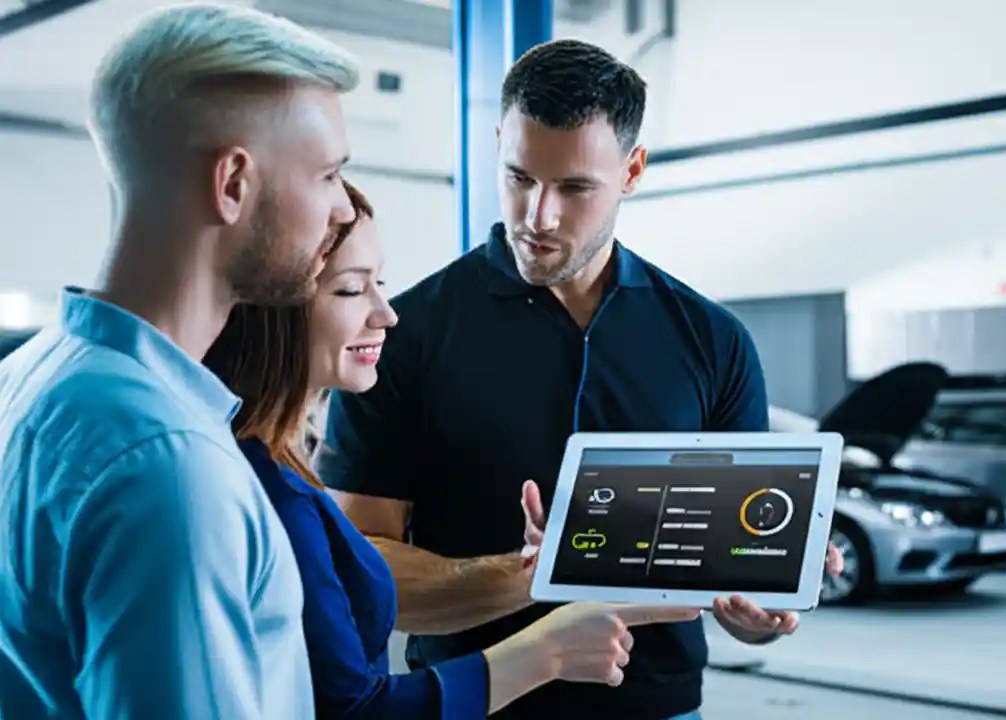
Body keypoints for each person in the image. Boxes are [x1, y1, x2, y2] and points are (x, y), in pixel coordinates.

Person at [316, 39, 841, 720]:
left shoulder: (714, 343)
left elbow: (729, 582)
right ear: (499, 142)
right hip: (476, 703)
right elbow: (362, 575)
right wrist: (530, 577)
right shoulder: (403, 334)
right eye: (520, 177)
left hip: (661, 709)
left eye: (573, 188)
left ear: (633, 171)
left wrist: (754, 610)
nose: (538, 217)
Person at [203, 179, 699, 718]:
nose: (386, 313)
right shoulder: (271, 494)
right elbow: (351, 709)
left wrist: (540, 573)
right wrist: (545, 650)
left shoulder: (279, 473)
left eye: (380, 284)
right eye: (351, 289)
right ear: (271, 303)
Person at [0, 4, 361, 718]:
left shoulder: (32, 379)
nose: (344, 209)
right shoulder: (169, 464)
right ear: (232, 184)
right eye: (327, 176)